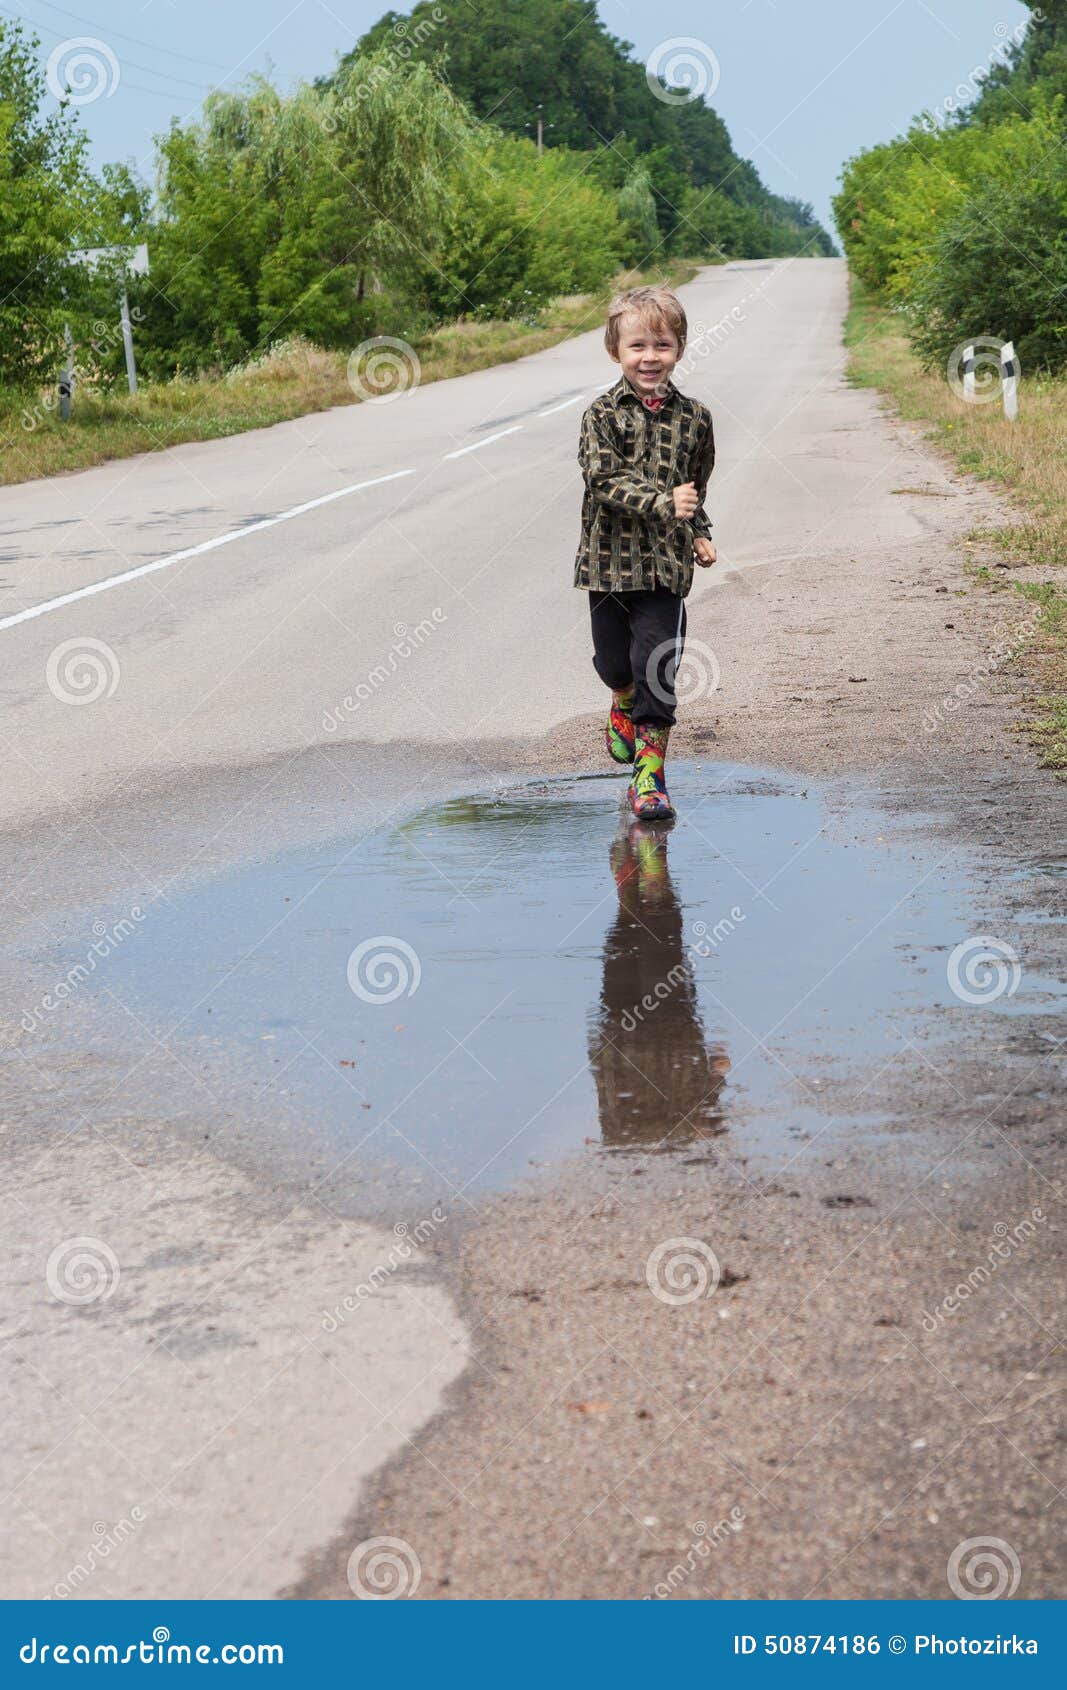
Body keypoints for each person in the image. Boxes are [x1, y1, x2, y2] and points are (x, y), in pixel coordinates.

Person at [574, 284, 717, 819]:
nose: (649, 357)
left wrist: (699, 528)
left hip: (666, 568)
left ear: (678, 348)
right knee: (617, 665)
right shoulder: (601, 415)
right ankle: (620, 700)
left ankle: (650, 779)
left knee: (657, 664)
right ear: (616, 351)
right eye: (637, 346)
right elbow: (603, 480)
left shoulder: (695, 418)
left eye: (661, 345)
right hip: (608, 564)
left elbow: (693, 485)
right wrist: (665, 502)